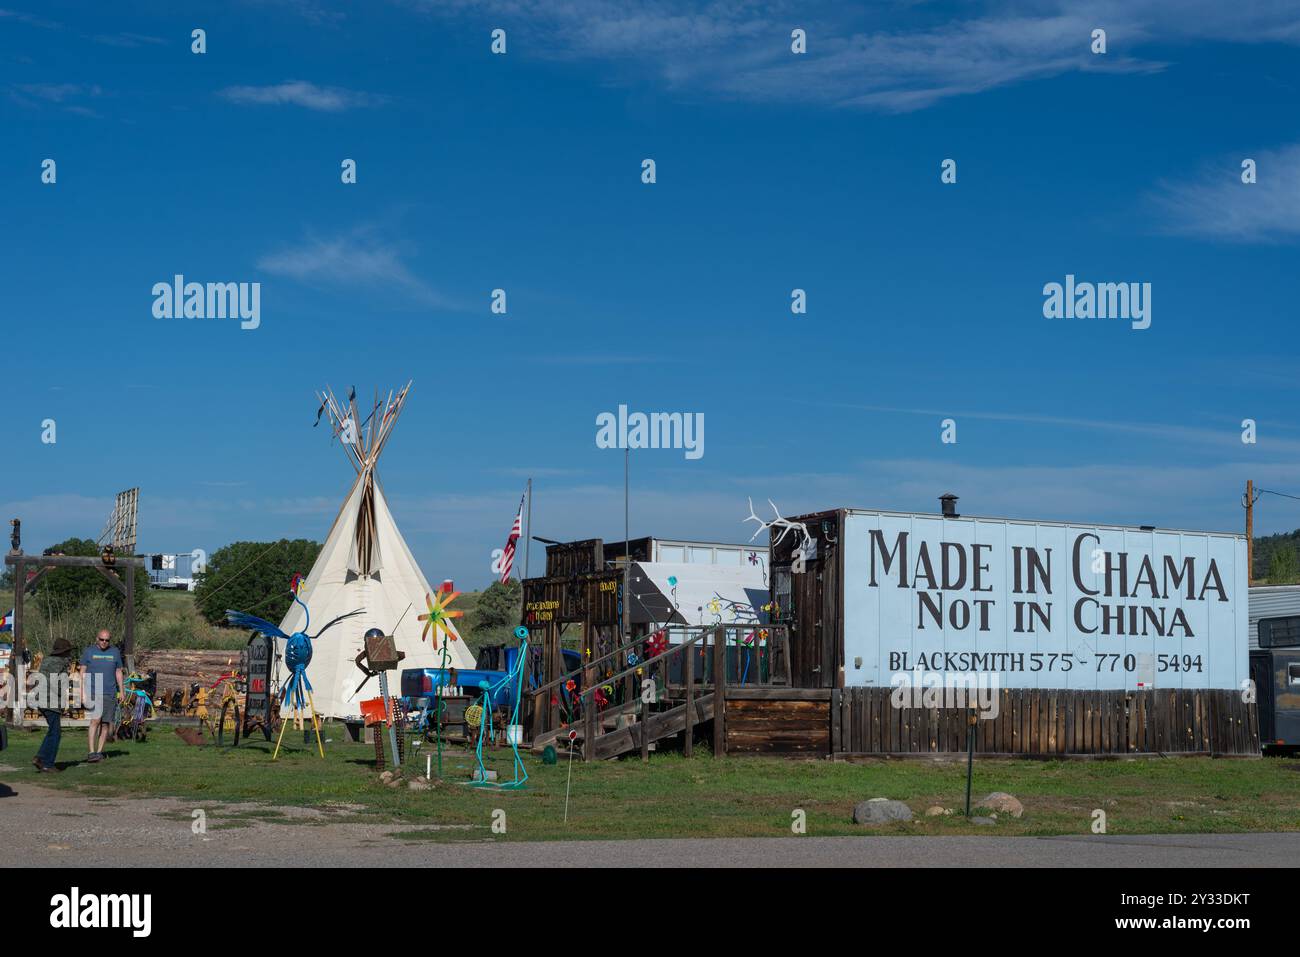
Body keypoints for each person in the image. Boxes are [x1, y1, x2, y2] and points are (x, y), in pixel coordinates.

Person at [81, 629, 123, 763]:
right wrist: (82, 692)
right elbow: (82, 671)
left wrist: (121, 690)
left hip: (110, 692)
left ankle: (99, 752)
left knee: (105, 724)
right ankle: (91, 751)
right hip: (94, 690)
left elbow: (118, 672)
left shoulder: (115, 652)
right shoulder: (89, 651)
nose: (104, 642)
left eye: (107, 640)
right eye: (102, 639)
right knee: (95, 720)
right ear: (97, 639)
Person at [33, 637, 74, 772]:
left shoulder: (46, 661)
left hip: (41, 700)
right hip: (52, 702)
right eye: (68, 651)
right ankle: (47, 764)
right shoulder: (61, 664)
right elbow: (58, 684)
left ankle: (40, 757)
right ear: (64, 652)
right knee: (56, 733)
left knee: (52, 731)